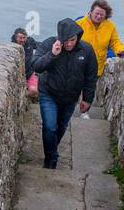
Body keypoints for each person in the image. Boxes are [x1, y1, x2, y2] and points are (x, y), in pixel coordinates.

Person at [29, 18, 97, 169]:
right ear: (60, 37)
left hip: (70, 98)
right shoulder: (49, 44)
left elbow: (90, 77)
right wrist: (52, 54)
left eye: (72, 40)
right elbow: (36, 66)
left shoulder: (86, 50)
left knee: (60, 127)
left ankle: (51, 151)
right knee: (50, 127)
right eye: (66, 40)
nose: (69, 44)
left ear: (78, 36)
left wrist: (87, 99)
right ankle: (51, 159)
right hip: (49, 93)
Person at [75, 0, 124, 80]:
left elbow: (115, 42)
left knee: (90, 92)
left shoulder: (110, 26)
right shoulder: (79, 23)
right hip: (78, 67)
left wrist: (120, 50)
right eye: (97, 13)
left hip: (96, 70)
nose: (99, 16)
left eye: (102, 14)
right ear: (91, 11)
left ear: (106, 15)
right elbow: (69, 41)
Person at [11, 28, 39, 97]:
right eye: (20, 38)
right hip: (17, 75)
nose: (23, 40)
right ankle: (24, 97)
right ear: (15, 37)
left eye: (24, 37)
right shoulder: (11, 47)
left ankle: (27, 97)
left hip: (30, 72)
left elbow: (40, 46)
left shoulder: (30, 42)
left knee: (34, 90)